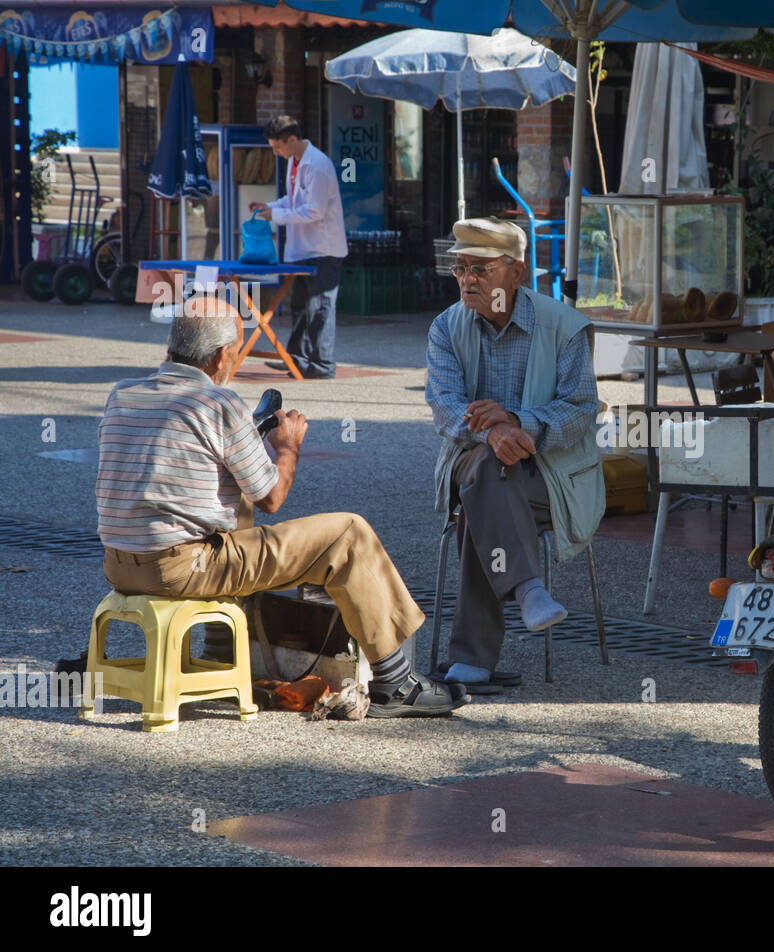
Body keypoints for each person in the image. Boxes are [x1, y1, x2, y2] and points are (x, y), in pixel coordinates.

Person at [95, 297, 461, 718]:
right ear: (220, 356)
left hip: (120, 564)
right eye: (235, 350)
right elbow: (271, 496)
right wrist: (286, 447)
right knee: (349, 533)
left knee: (235, 505)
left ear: (170, 350)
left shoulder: (123, 394)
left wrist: (241, 443)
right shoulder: (220, 403)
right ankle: (396, 682)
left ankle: (219, 648)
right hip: (181, 569)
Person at [426, 218, 604, 695]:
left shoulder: (564, 327)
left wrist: (518, 422)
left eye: (481, 269)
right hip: (472, 458)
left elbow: (581, 411)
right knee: (487, 471)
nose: (468, 280)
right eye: (460, 268)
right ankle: (528, 589)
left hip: (549, 474)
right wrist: (493, 435)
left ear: (517, 274)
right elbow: (444, 407)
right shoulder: (446, 326)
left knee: (482, 504)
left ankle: (472, 659)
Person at [249, 115, 348, 380]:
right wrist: (270, 208)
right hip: (302, 248)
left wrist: (277, 216)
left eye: (277, 146)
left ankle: (322, 364)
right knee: (301, 306)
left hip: (323, 248)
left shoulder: (317, 165)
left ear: (291, 140)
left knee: (320, 307)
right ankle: (297, 359)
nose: (275, 152)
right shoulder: (294, 161)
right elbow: (293, 200)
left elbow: (314, 210)